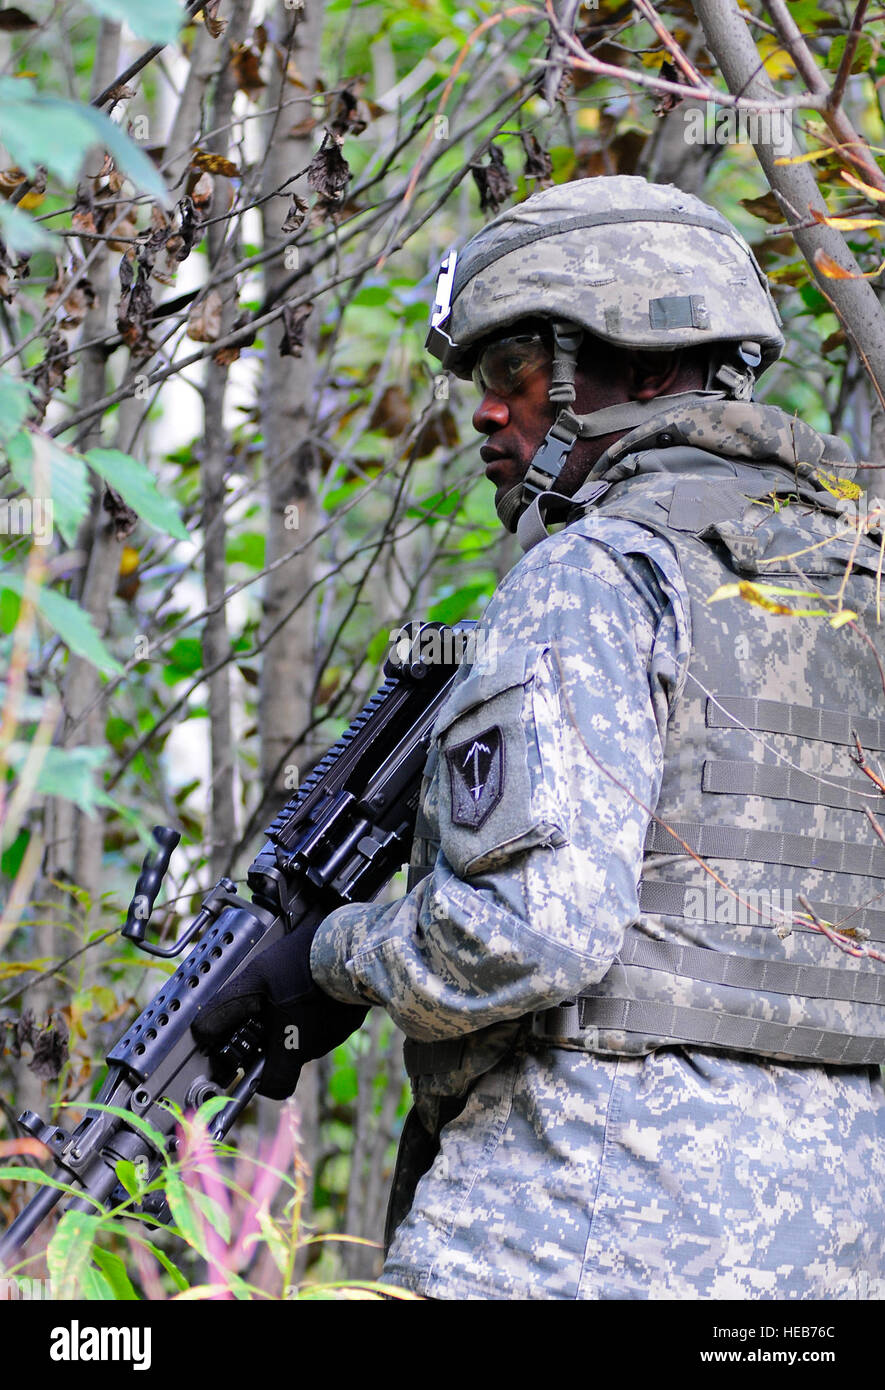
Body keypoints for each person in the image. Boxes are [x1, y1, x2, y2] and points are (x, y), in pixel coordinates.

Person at [195, 176, 885, 1300]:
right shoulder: (859, 579)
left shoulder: (599, 570)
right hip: (844, 1243)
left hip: (576, 1221)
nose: (482, 411)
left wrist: (328, 957)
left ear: (647, 367)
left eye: (514, 371)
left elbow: (532, 931)